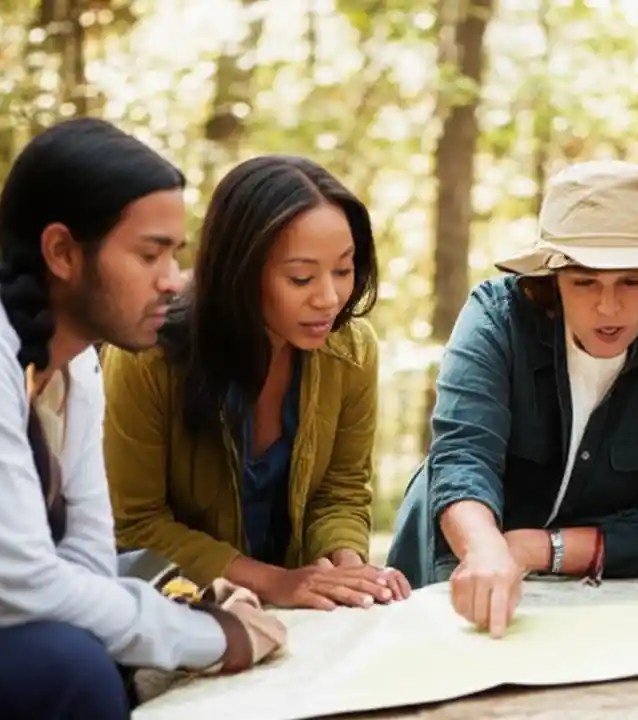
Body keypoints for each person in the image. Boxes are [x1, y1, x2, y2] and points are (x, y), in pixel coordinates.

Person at [0, 118, 284, 718]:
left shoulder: (75, 367)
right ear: (62, 251)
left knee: (92, 646)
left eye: (175, 253)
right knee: (68, 672)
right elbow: (18, 589)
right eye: (150, 254)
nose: (173, 281)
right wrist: (215, 638)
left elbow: (82, 563)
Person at [386, 160, 638, 637]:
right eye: (585, 282)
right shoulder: (495, 319)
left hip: (598, 597)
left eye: (632, 281)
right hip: (456, 566)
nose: (608, 307)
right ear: (552, 279)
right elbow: (463, 453)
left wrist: (536, 549)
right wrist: (486, 549)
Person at [102, 155, 411, 611]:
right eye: (301, 277)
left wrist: (345, 564)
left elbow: (340, 490)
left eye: (343, 271)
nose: (328, 298)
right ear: (240, 272)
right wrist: (275, 582)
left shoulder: (351, 350)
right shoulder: (147, 355)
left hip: (300, 614)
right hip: (172, 606)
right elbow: (136, 525)